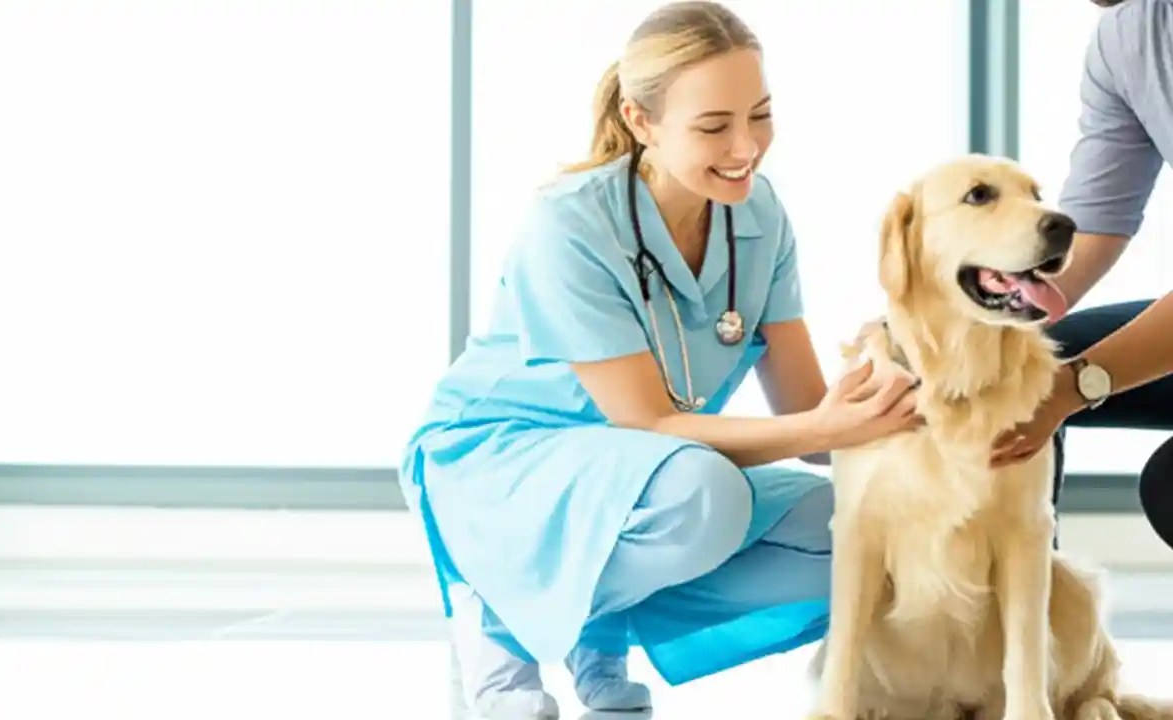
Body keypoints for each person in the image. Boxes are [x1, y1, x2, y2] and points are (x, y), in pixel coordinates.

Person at [397, 2, 920, 718]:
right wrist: (828, 429)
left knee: (873, 533)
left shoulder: (759, 216)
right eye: (713, 126)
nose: (747, 146)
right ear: (641, 121)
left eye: (760, 115)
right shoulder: (570, 221)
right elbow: (647, 421)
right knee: (704, 494)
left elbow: (807, 413)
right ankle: (505, 610)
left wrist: (900, 391)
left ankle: (594, 618)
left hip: (643, 475)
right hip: (504, 457)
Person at [989, 0, 1173, 551]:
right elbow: (1094, 222)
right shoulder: (1127, 37)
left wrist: (1075, 386)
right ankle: (1029, 621)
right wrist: (987, 315)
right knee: (1027, 357)